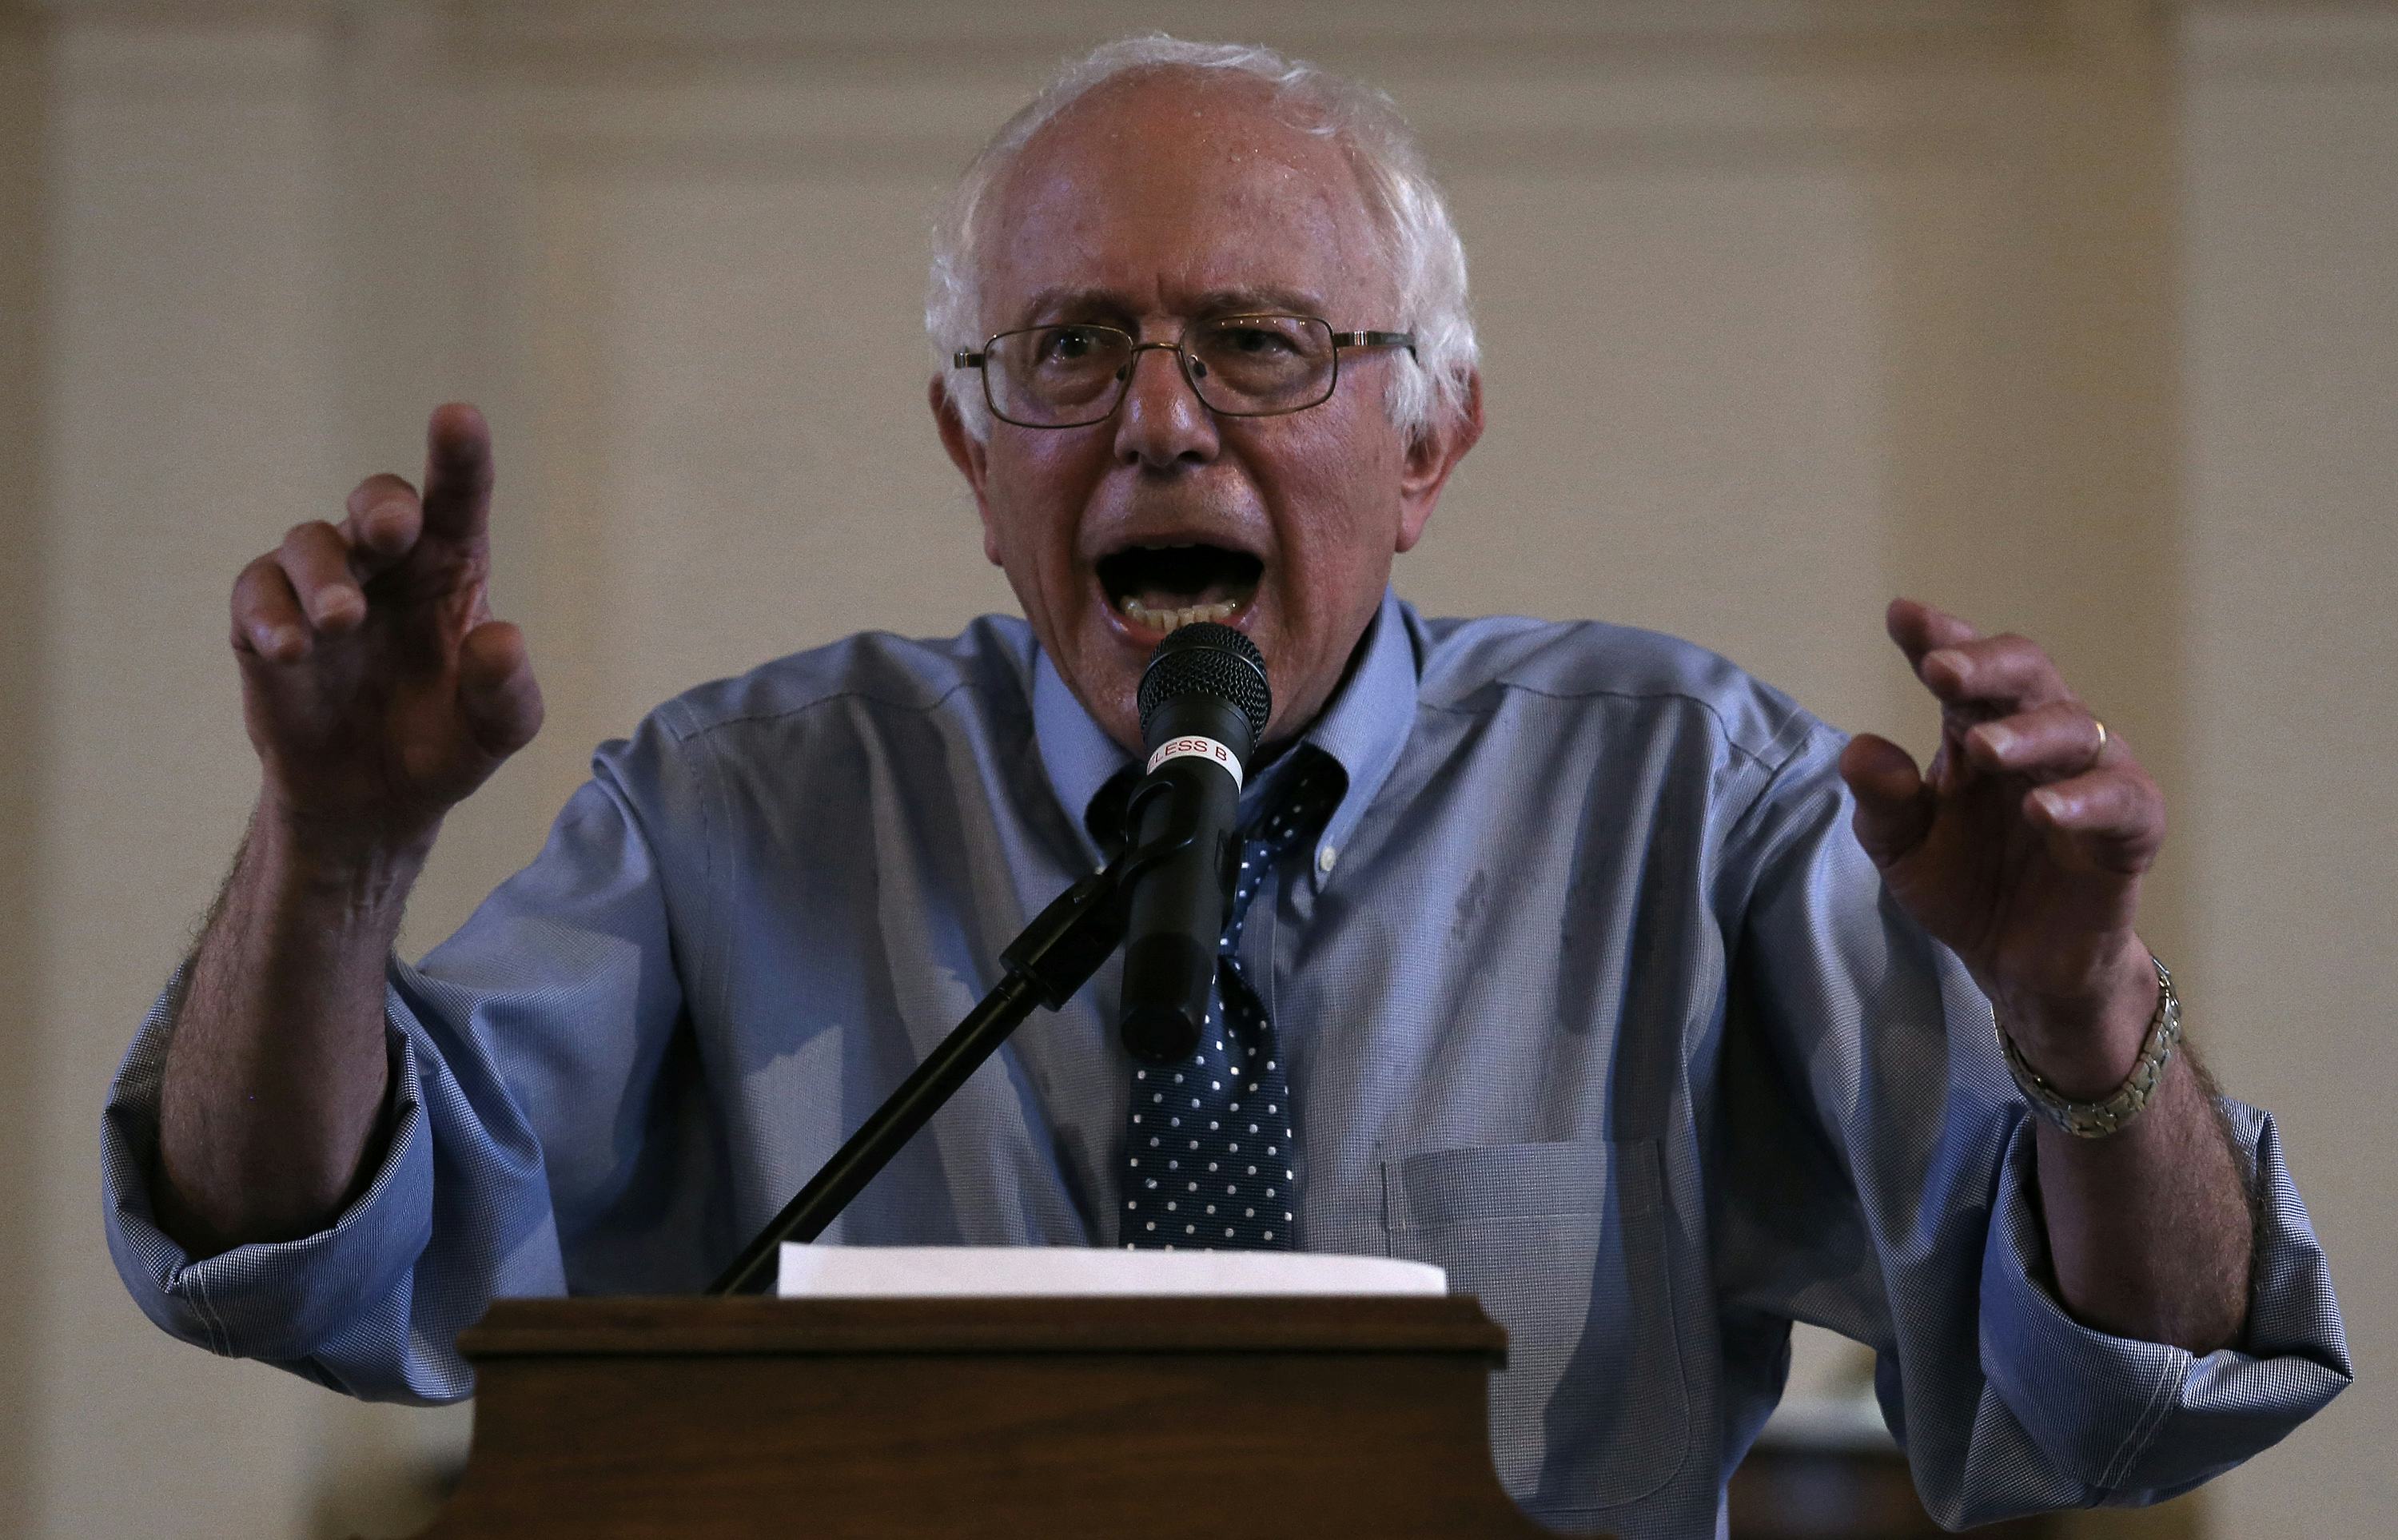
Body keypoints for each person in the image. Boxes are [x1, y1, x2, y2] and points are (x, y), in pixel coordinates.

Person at [103, 35, 2347, 1536]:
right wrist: (331, 863)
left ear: (1430, 439)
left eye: (1260, 344)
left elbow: (2133, 1395)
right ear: (975, 455)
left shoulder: (1690, 798)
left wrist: (2081, 1031)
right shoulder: (739, 812)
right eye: (1070, 350)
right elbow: (300, 1270)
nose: (1162, 424)